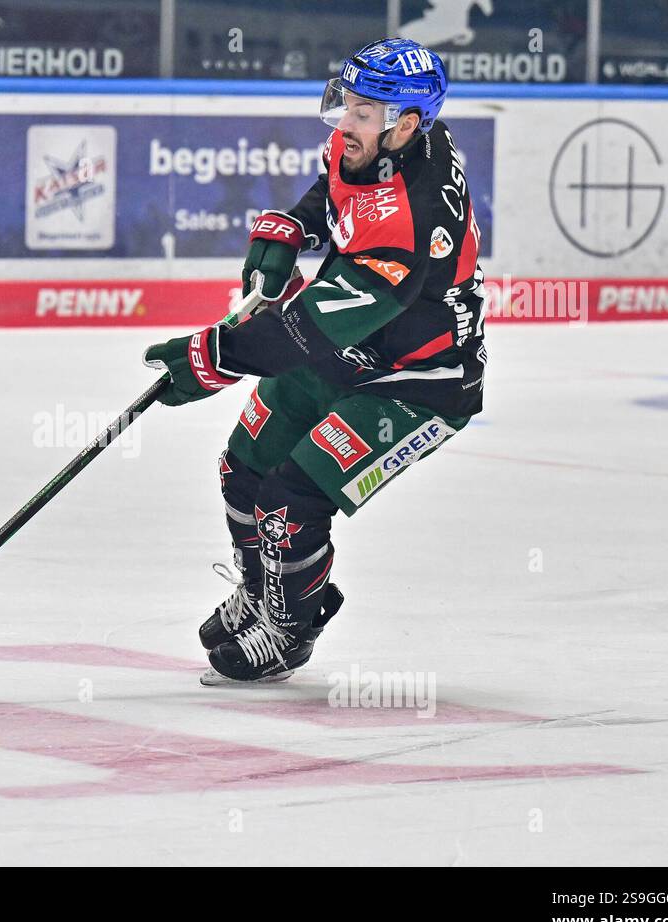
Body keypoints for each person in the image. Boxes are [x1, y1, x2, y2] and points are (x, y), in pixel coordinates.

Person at [143, 37, 487, 685]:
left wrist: (217, 354)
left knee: (292, 497)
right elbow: (333, 196)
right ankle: (263, 593)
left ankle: (289, 629)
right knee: (242, 469)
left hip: (417, 382)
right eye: (348, 103)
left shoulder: (417, 212)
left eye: (362, 112)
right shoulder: (374, 142)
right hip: (347, 350)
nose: (344, 122)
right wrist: (295, 226)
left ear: (405, 124)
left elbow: (310, 329)